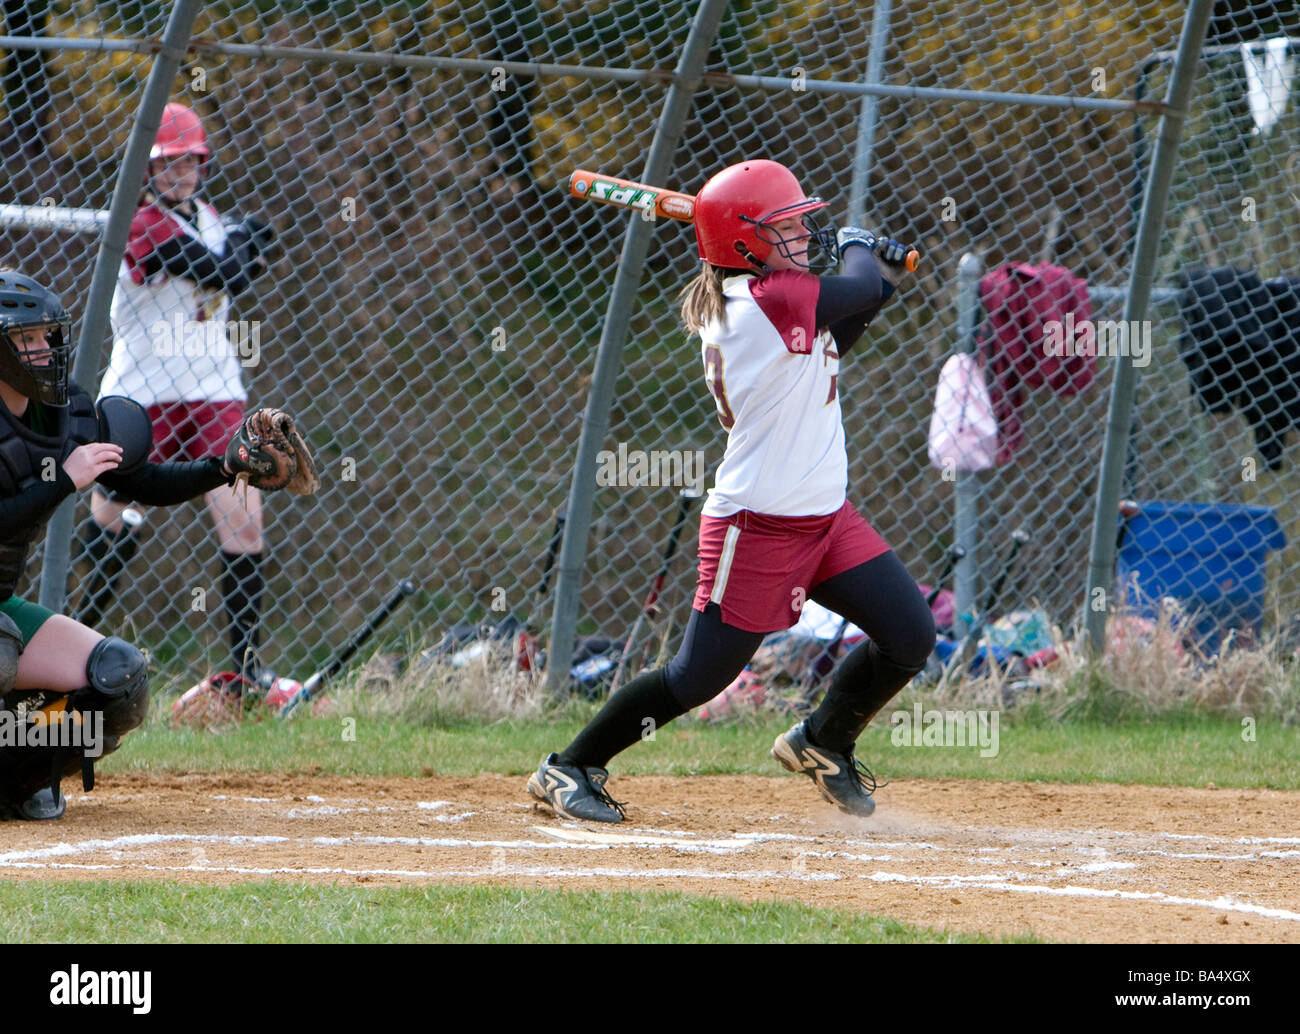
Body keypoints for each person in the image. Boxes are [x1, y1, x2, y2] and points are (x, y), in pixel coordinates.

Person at [527, 159, 936, 823]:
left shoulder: (776, 299)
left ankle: (824, 740)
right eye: (788, 225)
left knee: (910, 636)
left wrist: (878, 286)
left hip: (825, 520)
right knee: (696, 678)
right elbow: (855, 286)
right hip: (759, 526)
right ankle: (568, 766)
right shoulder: (762, 301)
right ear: (746, 244)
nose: (806, 231)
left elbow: (842, 329)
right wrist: (865, 253)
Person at [0, 270, 300, 820]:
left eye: (48, 337)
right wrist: (61, 481)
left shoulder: (65, 414)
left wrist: (223, 467)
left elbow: (146, 485)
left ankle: (11, 781)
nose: (45, 350)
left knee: (117, 678)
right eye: (28, 340)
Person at [77, 101, 276, 679]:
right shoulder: (141, 222)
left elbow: (246, 245)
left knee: (243, 518)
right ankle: (79, 646)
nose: (179, 174)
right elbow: (227, 271)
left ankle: (245, 669)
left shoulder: (209, 218)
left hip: (214, 389)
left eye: (189, 163)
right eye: (167, 164)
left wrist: (244, 239)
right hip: (144, 391)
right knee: (117, 515)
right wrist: (247, 243)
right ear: (148, 170)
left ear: (203, 165)